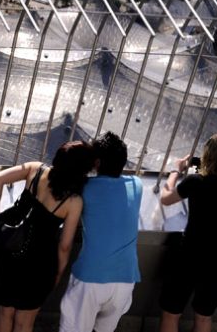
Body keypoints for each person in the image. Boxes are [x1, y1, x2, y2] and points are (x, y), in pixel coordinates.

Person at [0, 141, 95, 332]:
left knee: (6, 314)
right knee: (24, 323)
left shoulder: (35, 169)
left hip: (11, 255)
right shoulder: (73, 201)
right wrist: (58, 273)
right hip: (40, 264)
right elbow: (64, 246)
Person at [158, 133, 217, 332]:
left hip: (190, 255)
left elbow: (166, 198)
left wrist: (175, 170)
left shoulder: (196, 182)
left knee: (171, 314)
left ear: (208, 155)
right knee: (203, 318)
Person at [60, 132, 142, 332]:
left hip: (90, 277)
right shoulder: (137, 185)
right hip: (126, 278)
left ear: (96, 162)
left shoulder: (84, 188)